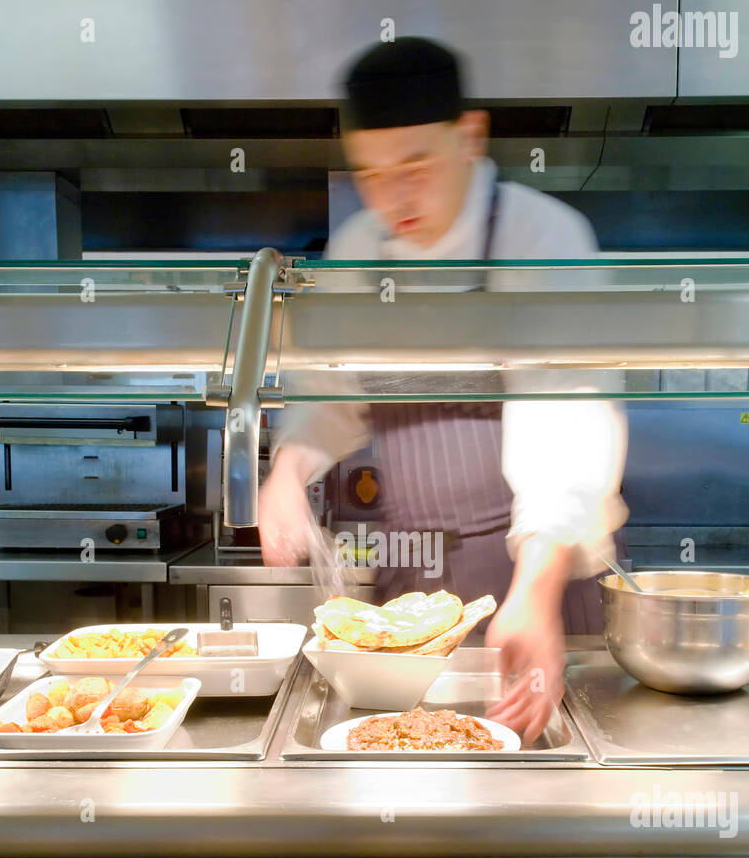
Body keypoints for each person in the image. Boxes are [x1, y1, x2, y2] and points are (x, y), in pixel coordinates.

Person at [259, 37, 628, 739]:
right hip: (413, 580)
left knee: (548, 792)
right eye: (369, 173)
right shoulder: (361, 251)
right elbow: (331, 398)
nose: (391, 196)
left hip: (538, 576)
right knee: (405, 776)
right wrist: (289, 470)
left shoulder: (543, 236)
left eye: (415, 166)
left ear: (471, 135)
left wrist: (536, 592)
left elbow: (570, 427)